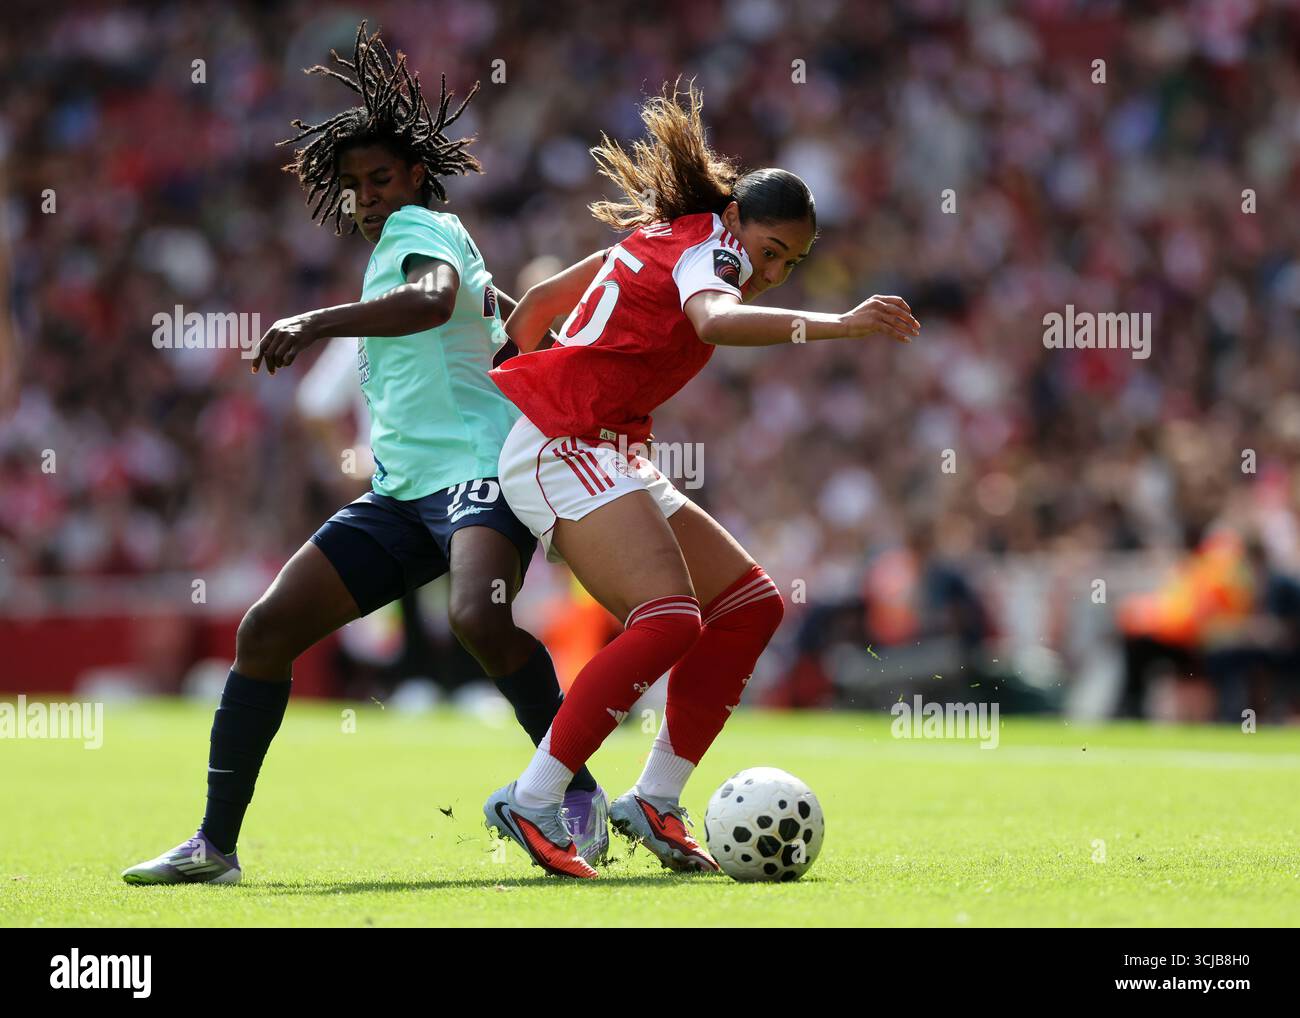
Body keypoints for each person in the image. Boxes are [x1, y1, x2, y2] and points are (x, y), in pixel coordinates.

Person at [122, 23, 605, 885]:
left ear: (416, 175)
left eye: (380, 178)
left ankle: (573, 791)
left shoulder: (422, 229)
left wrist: (316, 322)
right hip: (402, 493)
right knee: (265, 631)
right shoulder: (406, 245)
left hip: (480, 479)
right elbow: (476, 306)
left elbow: (434, 300)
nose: (368, 196)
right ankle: (214, 847)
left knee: (477, 618)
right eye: (354, 186)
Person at [482, 81, 919, 878]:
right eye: (770, 251)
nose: (774, 272)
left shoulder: (668, 232)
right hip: (566, 444)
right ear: (737, 223)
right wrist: (840, 323)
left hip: (602, 447)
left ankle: (653, 798)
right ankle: (534, 796)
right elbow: (713, 319)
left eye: (792, 263)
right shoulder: (709, 250)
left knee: (751, 606)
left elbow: (541, 301)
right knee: (670, 618)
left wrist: (510, 367)